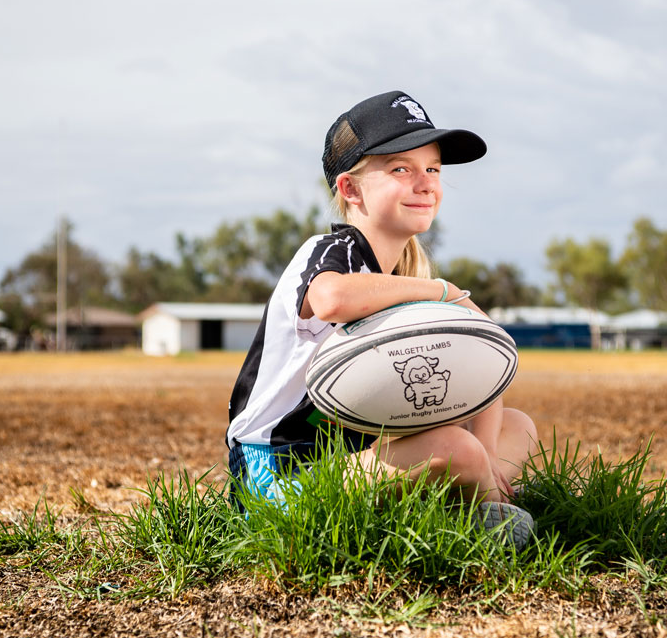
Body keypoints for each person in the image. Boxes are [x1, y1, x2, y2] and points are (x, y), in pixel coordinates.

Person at [224, 91, 538, 542]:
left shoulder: (404, 278)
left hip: (353, 461)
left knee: (515, 427)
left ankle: (475, 505)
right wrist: (442, 293)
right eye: (401, 169)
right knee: (455, 448)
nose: (426, 183)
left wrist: (485, 457)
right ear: (350, 189)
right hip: (279, 474)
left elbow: (487, 366)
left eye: (432, 169)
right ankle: (482, 520)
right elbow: (331, 300)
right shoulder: (330, 252)